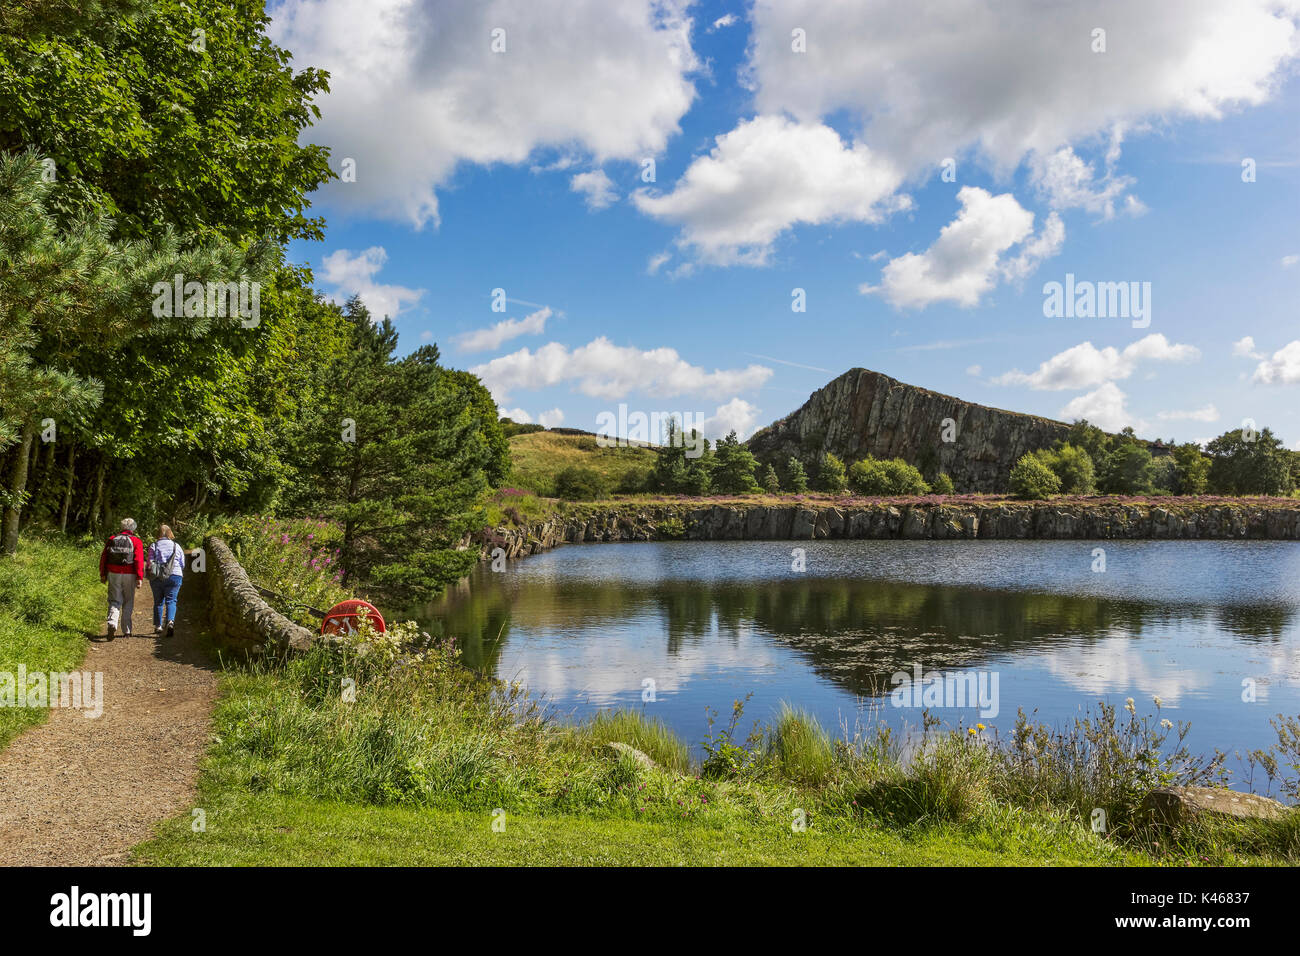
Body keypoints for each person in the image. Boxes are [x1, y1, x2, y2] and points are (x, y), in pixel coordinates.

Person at [99, 517, 144, 640]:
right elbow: (138, 560)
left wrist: (103, 574)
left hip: (113, 573)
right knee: (128, 601)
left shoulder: (112, 539)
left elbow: (104, 557)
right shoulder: (136, 541)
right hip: (130, 574)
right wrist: (139, 577)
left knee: (114, 600)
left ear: (121, 527)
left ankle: (112, 623)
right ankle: (127, 630)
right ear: (133, 528)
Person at [147, 524, 185, 638]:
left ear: (158, 533)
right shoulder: (176, 546)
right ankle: (170, 622)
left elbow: (149, 563)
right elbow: (182, 563)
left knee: (158, 601)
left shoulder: (153, 546)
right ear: (170, 533)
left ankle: (158, 626)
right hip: (175, 575)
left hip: (157, 577)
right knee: (171, 600)